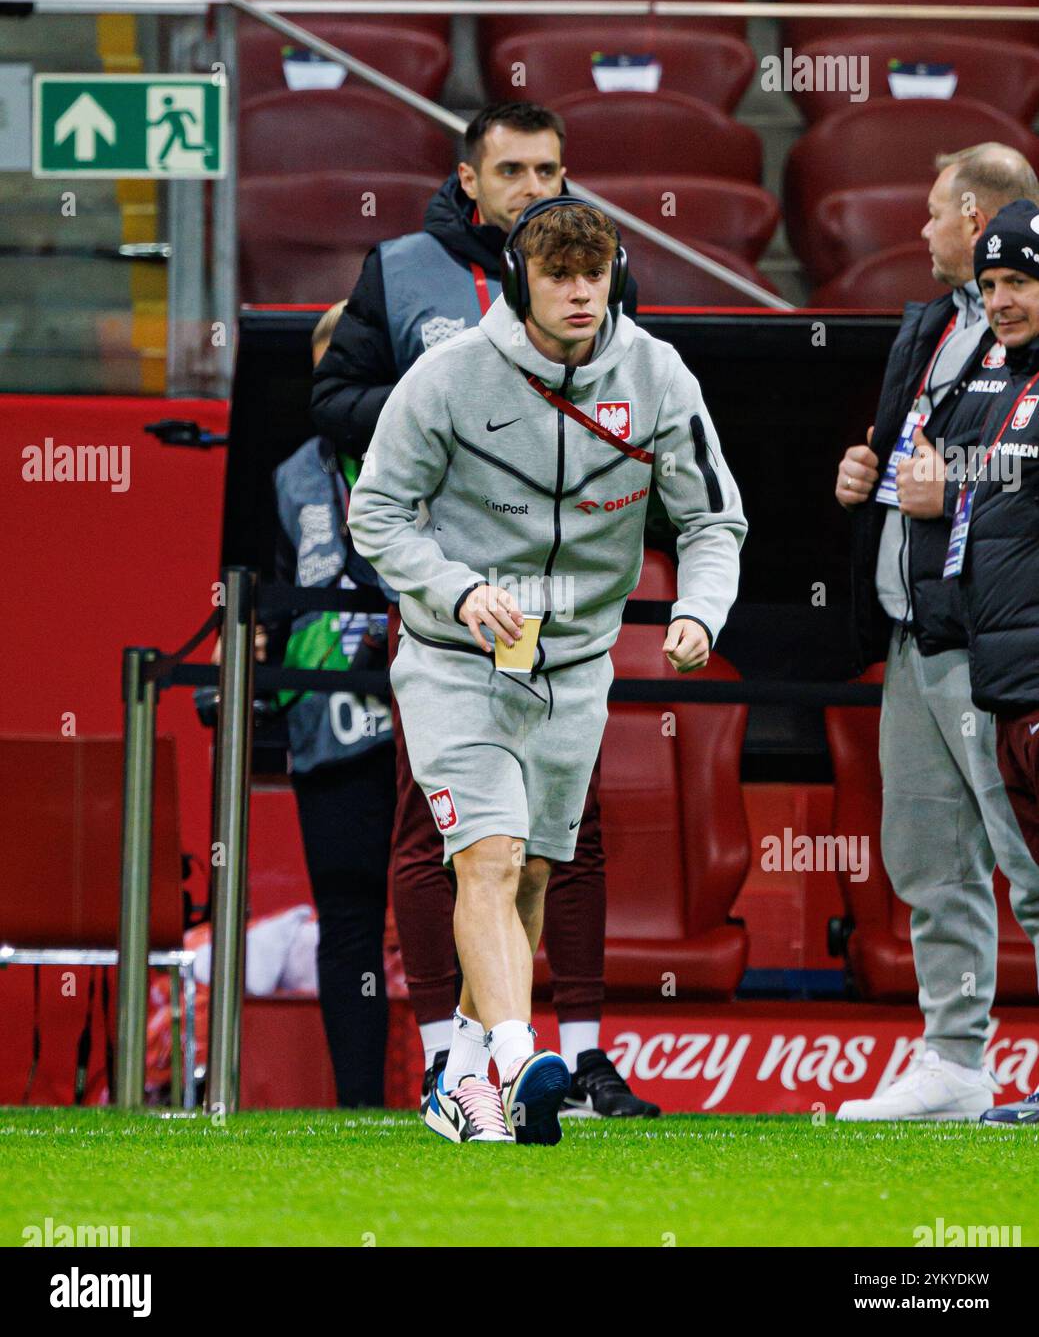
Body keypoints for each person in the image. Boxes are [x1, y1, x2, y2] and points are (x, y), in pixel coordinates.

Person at [347, 197, 746, 1143]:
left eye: (594, 274)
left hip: (576, 663)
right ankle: (524, 1057)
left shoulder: (657, 374)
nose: (579, 292)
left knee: (530, 870)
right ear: (523, 281)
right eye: (560, 275)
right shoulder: (446, 377)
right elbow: (378, 513)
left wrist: (697, 611)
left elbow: (711, 519)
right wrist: (452, 591)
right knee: (483, 856)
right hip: (454, 657)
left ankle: (467, 1079)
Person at [312, 101, 657, 1120]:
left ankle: (568, 1055)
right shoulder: (400, 270)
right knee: (447, 832)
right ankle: (446, 1053)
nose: (531, 189)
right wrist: (450, 405)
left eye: (547, 170)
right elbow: (333, 401)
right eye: (510, 171)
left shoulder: (604, 269)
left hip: (564, 586)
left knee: (561, 830)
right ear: (468, 179)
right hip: (448, 593)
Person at [833, 145, 1039, 1122]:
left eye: (930, 213)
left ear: (972, 209)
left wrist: (949, 484)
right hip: (913, 628)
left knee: (1026, 855)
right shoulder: (932, 329)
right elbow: (916, 460)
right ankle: (954, 1061)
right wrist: (866, 477)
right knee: (927, 854)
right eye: (992, 282)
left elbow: (999, 471)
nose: (920, 232)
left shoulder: (1023, 336)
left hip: (994, 640)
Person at [266, 300, 397, 1106]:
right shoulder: (290, 475)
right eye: (327, 358)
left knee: (446, 905)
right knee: (346, 915)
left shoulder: (434, 457)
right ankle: (359, 1108)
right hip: (324, 716)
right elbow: (269, 588)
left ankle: (461, 1092)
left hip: (422, 711)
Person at [949, 198, 1039, 1125]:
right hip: (1005, 682)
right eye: (989, 286)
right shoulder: (999, 376)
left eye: (1018, 282)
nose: (1001, 302)